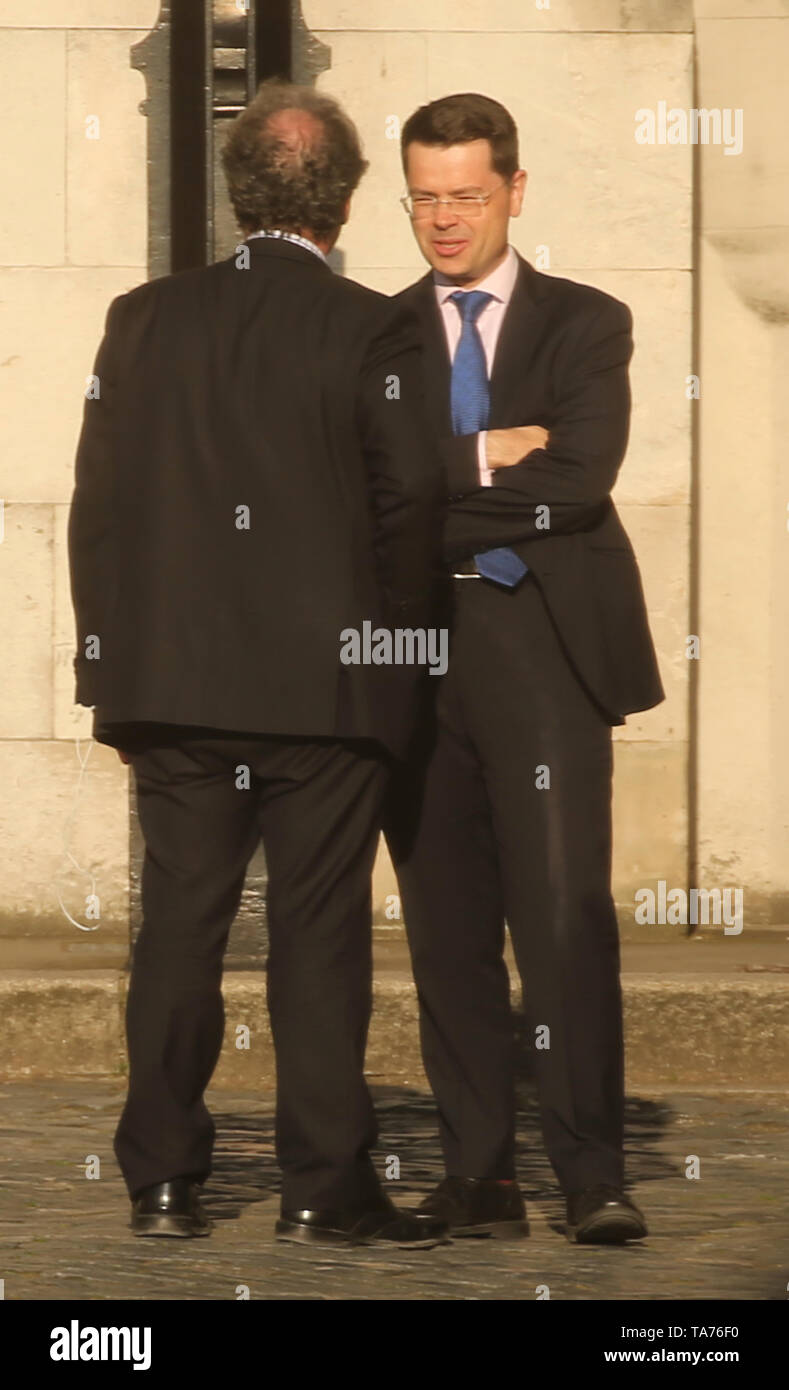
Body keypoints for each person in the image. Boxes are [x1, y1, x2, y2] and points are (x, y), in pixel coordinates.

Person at [67, 79, 448, 1251]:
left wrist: (109, 663)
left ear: (240, 195)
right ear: (346, 197)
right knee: (317, 931)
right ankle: (320, 1185)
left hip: (174, 685)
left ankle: (166, 1181)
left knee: (177, 929)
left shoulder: (144, 318)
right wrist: (398, 656)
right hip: (326, 691)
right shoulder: (381, 325)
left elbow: (98, 509)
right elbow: (411, 506)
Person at [384, 93, 666, 1244]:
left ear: (515, 189)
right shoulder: (378, 334)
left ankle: (592, 1173)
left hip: (543, 649)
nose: (445, 221)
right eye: (424, 198)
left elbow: (580, 483)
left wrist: (425, 492)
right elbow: (356, 499)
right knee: (445, 928)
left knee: (560, 916)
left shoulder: (587, 323)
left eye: (467, 194)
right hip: (411, 658)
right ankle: (480, 1178)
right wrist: (475, 454)